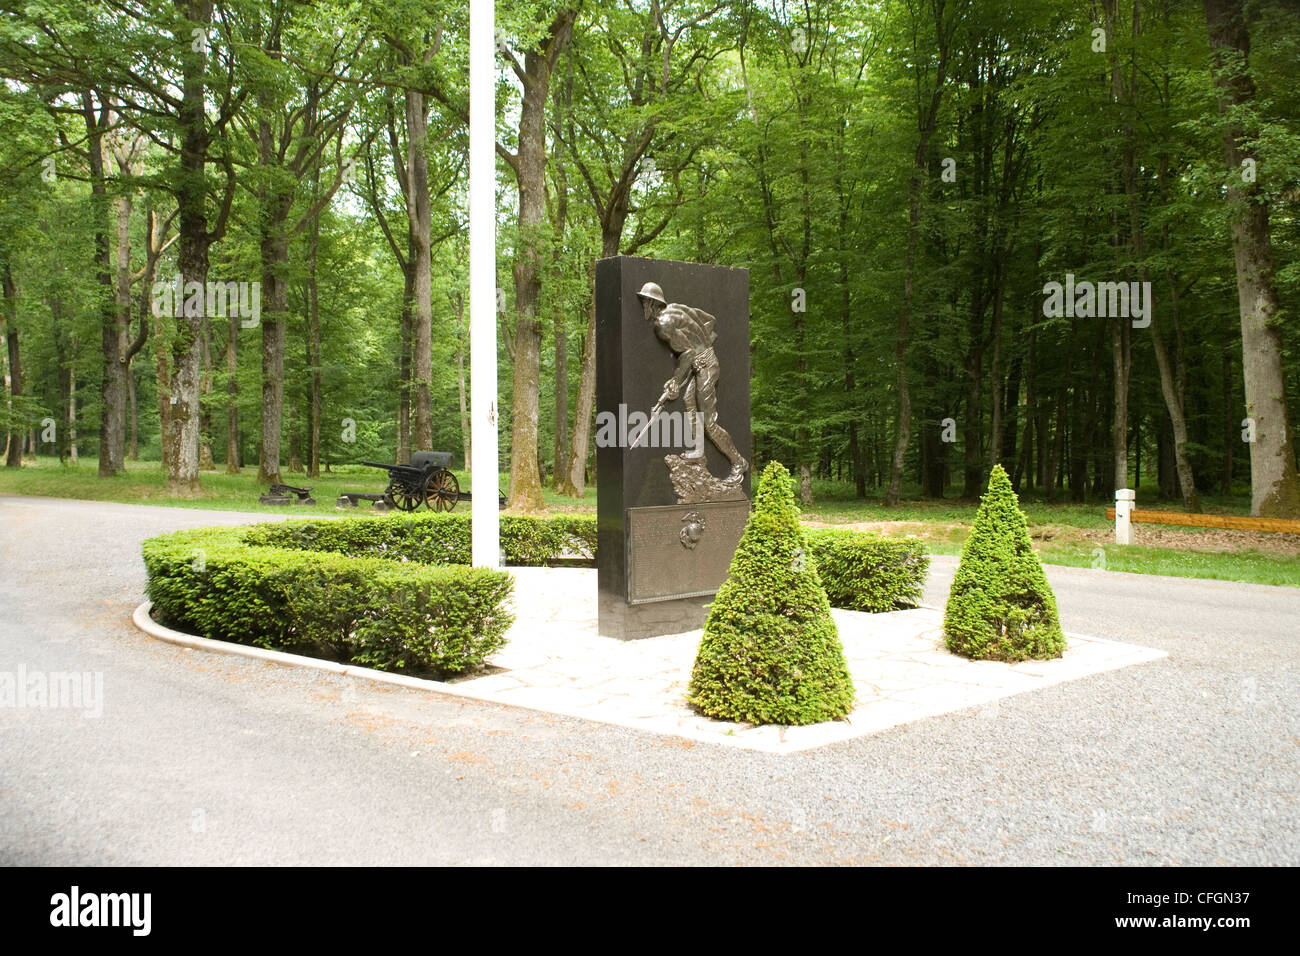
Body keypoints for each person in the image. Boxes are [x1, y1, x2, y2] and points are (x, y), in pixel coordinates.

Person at [636, 281, 748, 483]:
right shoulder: (677, 308)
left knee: (709, 421)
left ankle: (738, 462)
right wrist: (702, 348)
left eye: (644, 300)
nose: (643, 304)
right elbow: (710, 321)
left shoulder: (661, 325)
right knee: (689, 400)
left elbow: (686, 353)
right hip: (704, 360)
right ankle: (698, 451)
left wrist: (676, 380)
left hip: (705, 366)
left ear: (651, 303)